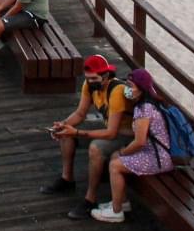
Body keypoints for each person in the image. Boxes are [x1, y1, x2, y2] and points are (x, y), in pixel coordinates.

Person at [42, 54, 132, 218]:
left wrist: (76, 132)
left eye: (93, 78)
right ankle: (67, 179)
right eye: (87, 78)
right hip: (110, 130)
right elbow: (80, 113)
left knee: (96, 147)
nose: (90, 82)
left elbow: (112, 132)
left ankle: (90, 199)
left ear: (105, 76)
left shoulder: (117, 91)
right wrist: (64, 125)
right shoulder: (90, 85)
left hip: (126, 135)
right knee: (66, 132)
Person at [91, 69, 178, 223]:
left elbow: (139, 141)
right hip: (159, 153)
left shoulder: (143, 109)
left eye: (131, 86)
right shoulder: (152, 103)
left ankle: (116, 212)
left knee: (115, 165)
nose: (128, 90)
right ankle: (121, 202)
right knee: (115, 157)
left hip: (157, 158)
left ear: (141, 88)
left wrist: (123, 152)